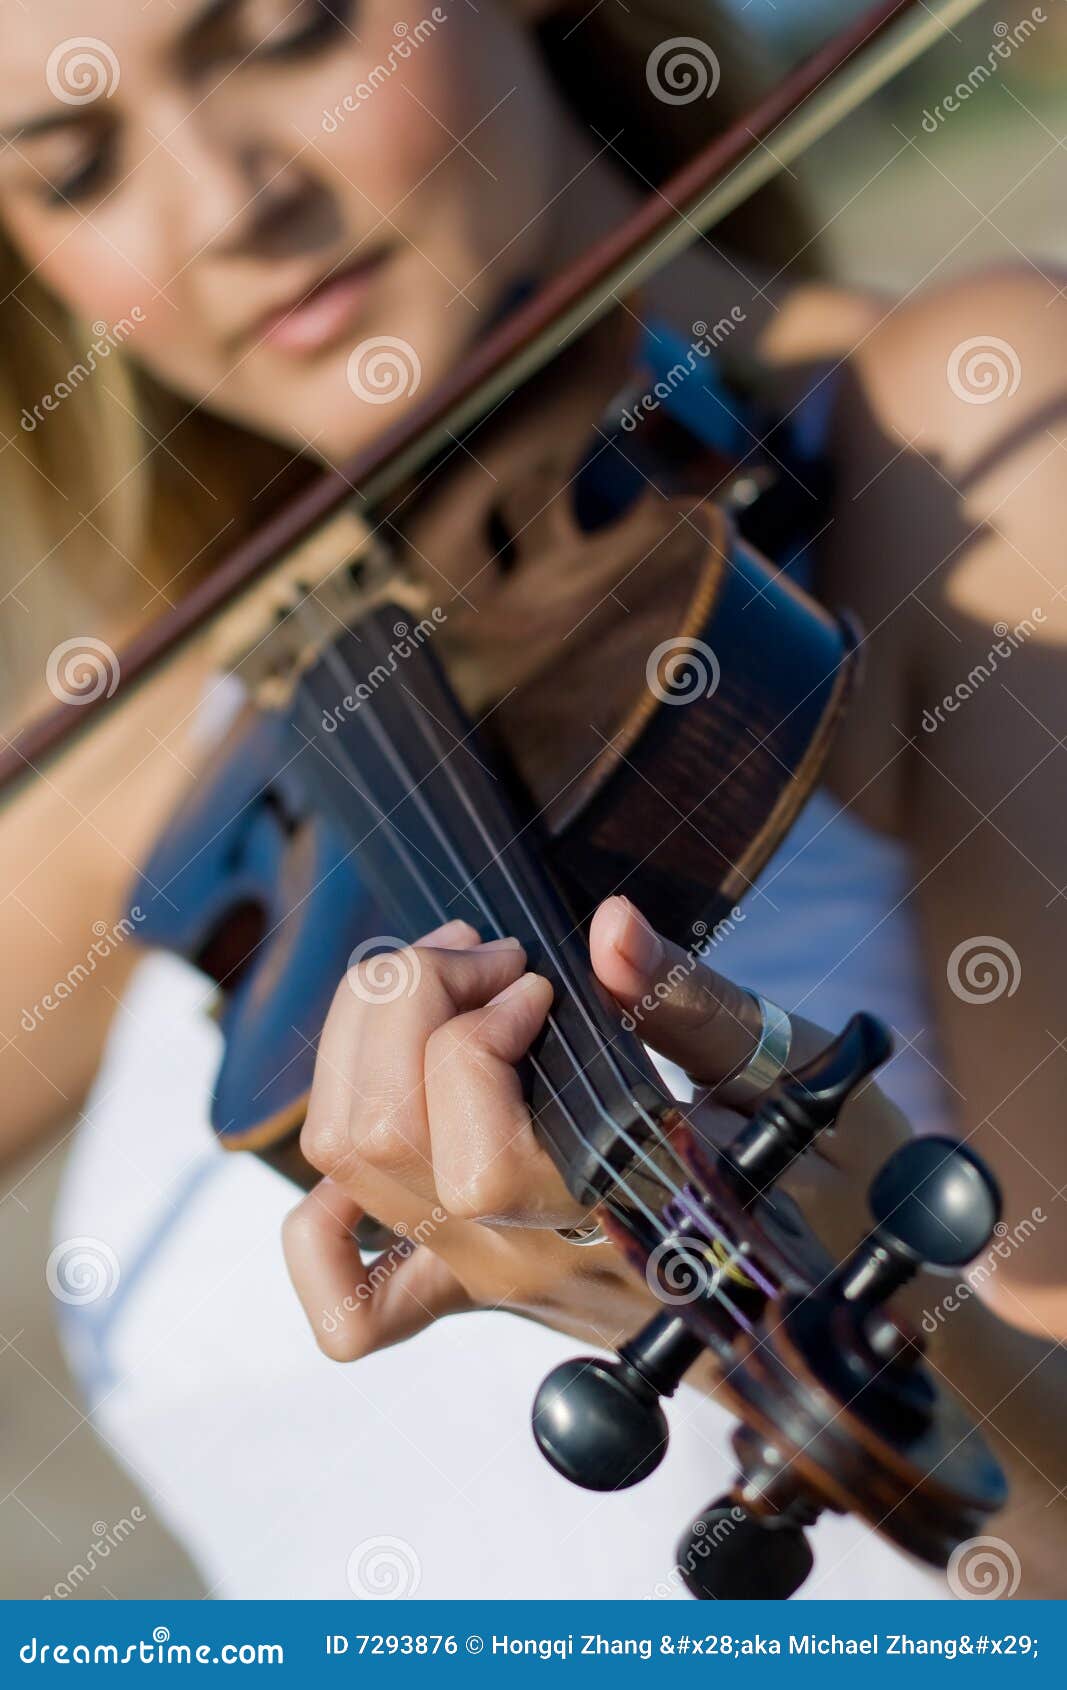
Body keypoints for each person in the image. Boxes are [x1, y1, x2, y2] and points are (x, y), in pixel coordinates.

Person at [1, 0, 1065, 1598]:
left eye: (295, 34)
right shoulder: (175, 693)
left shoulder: (962, 430)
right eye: (73, 167)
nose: (229, 206)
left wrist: (860, 1317)